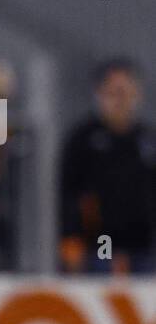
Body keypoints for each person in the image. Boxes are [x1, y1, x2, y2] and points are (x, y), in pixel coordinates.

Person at [59, 58, 156, 274]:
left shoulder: (147, 140)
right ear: (100, 94)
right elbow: (70, 193)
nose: (120, 101)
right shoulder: (84, 139)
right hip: (102, 240)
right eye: (113, 93)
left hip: (143, 245)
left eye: (126, 93)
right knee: (104, 283)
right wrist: (71, 237)